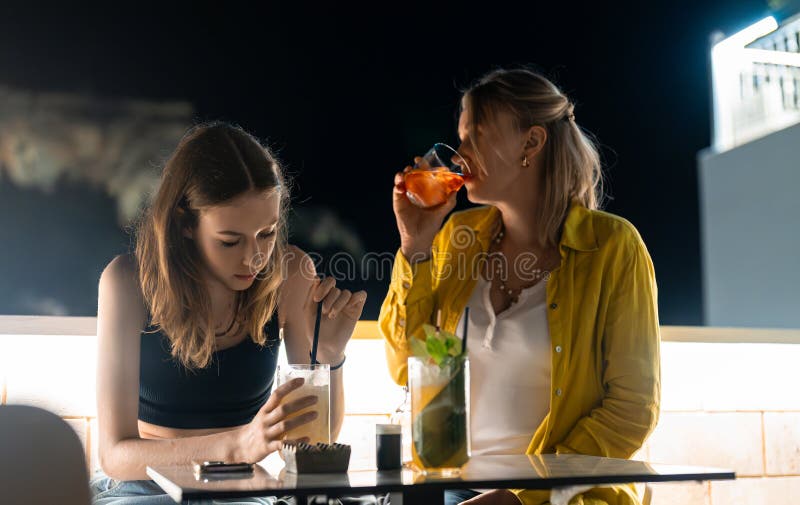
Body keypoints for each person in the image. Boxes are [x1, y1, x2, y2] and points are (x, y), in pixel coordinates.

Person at [379, 68, 660, 505]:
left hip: (563, 496)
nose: (459, 155)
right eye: (460, 137)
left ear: (531, 143)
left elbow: (632, 409)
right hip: (453, 485)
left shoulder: (613, 247)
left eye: (475, 136)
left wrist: (519, 496)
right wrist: (414, 246)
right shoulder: (458, 237)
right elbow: (407, 367)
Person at [91, 122, 367, 504]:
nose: (254, 257)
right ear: (185, 223)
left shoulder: (291, 274)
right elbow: (114, 456)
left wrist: (329, 360)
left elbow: (311, 445)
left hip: (243, 491)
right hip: (143, 488)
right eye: (230, 241)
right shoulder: (127, 282)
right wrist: (238, 445)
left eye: (267, 234)